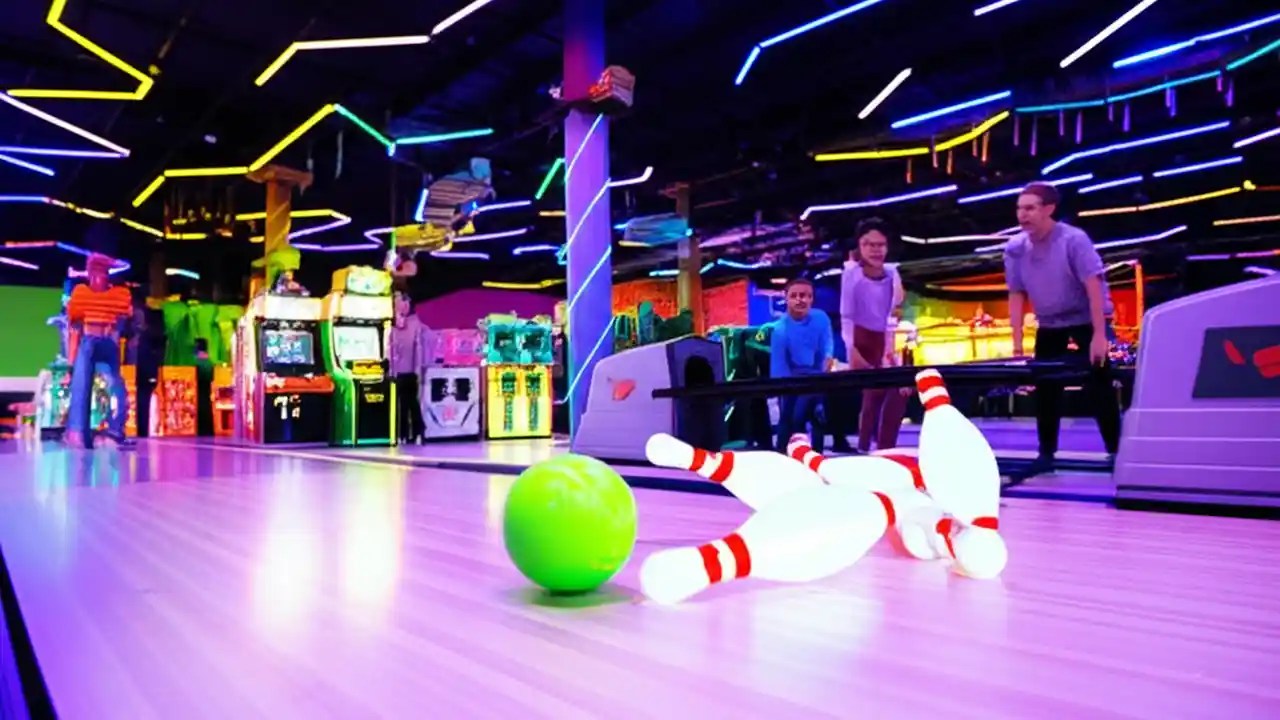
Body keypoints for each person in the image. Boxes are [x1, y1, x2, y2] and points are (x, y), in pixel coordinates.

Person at [1005, 182, 1122, 478]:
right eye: (1020, 208)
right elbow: (1016, 294)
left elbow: (1093, 286)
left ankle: (1117, 451)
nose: (1023, 215)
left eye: (1030, 208)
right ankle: (1046, 453)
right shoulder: (1015, 248)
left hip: (1085, 318)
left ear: (1049, 209)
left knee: (1099, 385)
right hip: (1049, 322)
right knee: (1045, 389)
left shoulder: (1074, 240)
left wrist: (1099, 335)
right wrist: (1017, 346)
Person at [840, 218, 910, 453]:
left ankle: (886, 448)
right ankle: (863, 446)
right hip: (861, 339)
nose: (875, 249)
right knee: (873, 394)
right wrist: (852, 350)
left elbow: (894, 313)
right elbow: (846, 315)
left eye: (880, 244)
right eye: (868, 244)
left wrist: (890, 348)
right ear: (859, 246)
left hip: (885, 338)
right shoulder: (851, 274)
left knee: (900, 391)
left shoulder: (892, 273)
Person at [66, 253, 133, 448]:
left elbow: (123, 320)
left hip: (105, 339)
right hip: (93, 339)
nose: (99, 277)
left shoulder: (119, 295)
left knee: (112, 384)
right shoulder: (81, 294)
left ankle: (110, 430)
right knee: (85, 384)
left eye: (102, 272)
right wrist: (72, 362)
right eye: (95, 272)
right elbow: (75, 329)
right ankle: (81, 432)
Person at [770, 277, 834, 453]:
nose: (800, 300)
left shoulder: (821, 319)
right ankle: (782, 453)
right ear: (787, 298)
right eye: (795, 295)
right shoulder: (779, 329)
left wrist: (828, 358)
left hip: (816, 376)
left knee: (817, 416)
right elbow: (779, 363)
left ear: (812, 298)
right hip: (790, 379)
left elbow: (827, 344)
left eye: (806, 295)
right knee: (790, 417)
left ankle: (817, 455)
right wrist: (783, 386)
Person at [390, 291, 428, 444]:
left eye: (400, 302)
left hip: (411, 371)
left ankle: (417, 431)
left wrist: (418, 370)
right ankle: (404, 433)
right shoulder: (393, 324)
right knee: (402, 404)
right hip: (398, 371)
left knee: (411, 402)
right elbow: (391, 349)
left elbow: (418, 349)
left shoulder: (415, 323)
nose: (398, 306)